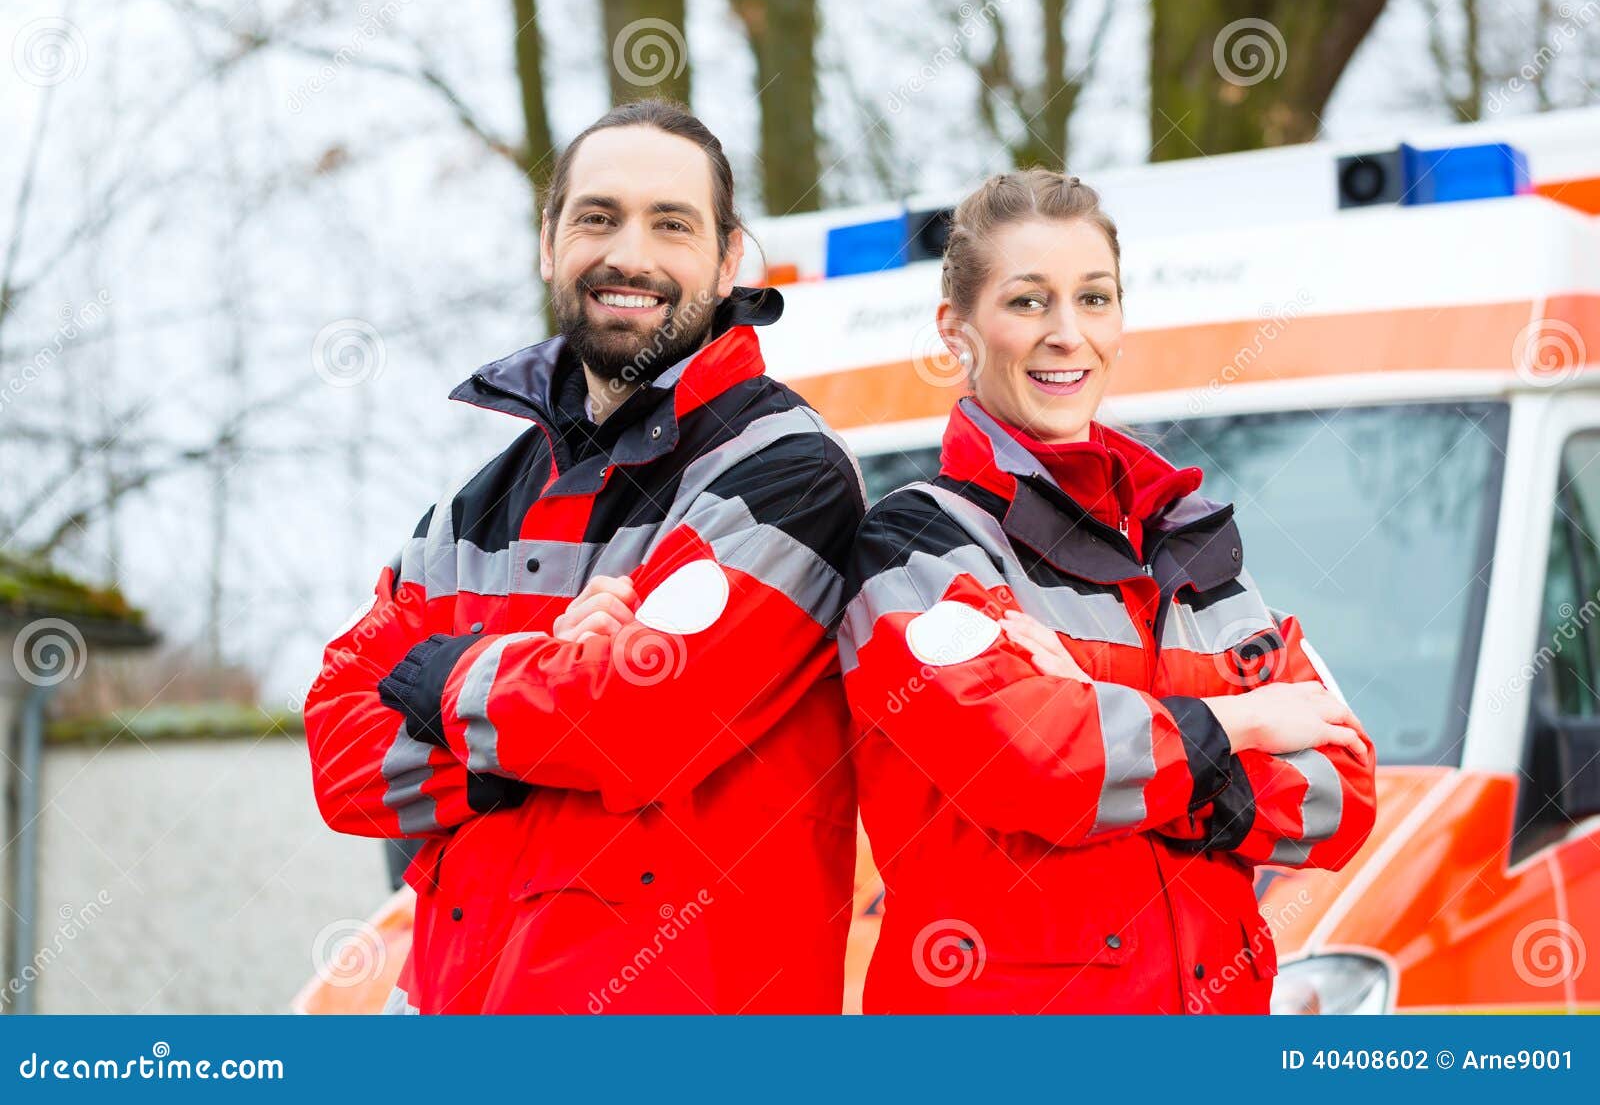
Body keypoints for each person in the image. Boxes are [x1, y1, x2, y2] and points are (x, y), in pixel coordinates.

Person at [304, 100, 864, 1014]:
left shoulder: (787, 474)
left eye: (671, 224)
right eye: (597, 217)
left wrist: (445, 677)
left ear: (728, 261)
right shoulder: (469, 509)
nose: (630, 256)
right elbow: (341, 760)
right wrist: (548, 686)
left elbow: (645, 716)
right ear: (548, 243)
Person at [838, 169, 1377, 1014]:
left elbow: (1345, 794)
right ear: (956, 330)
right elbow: (1041, 766)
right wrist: (1240, 723)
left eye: (1094, 298)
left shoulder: (1189, 543)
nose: (1067, 333)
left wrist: (1114, 723)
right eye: (1027, 302)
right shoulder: (917, 544)